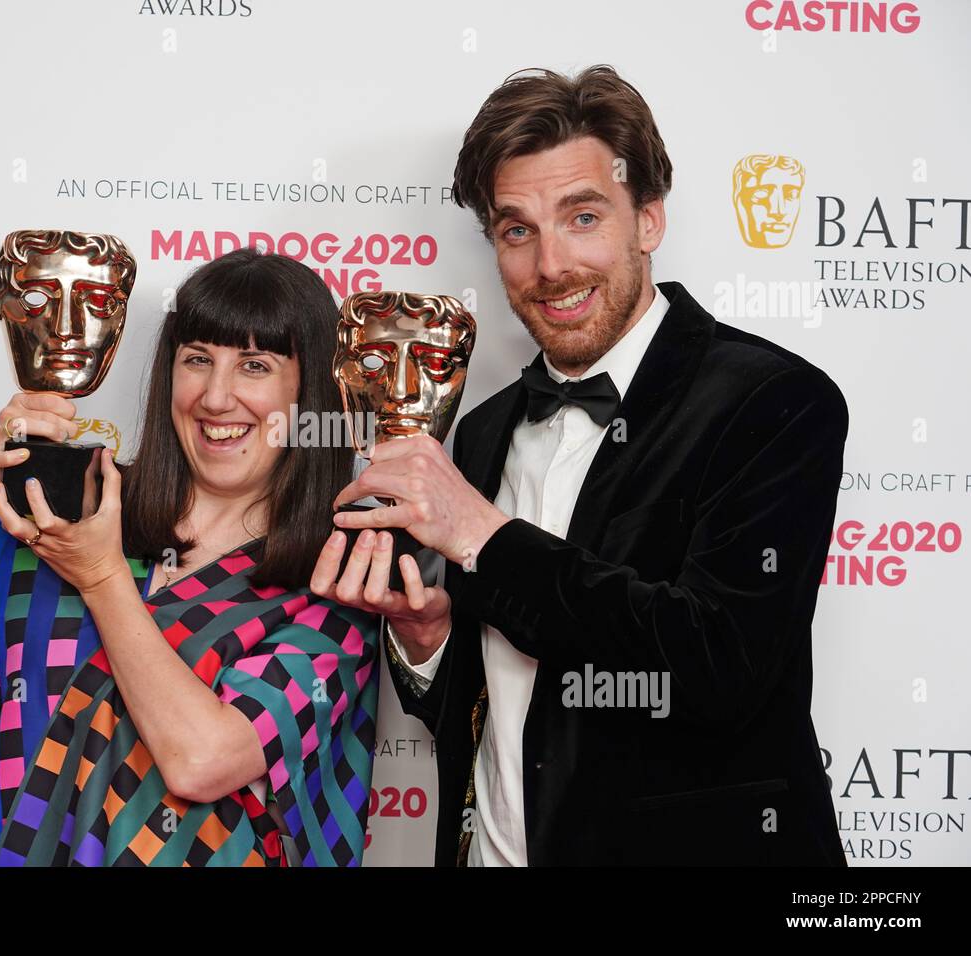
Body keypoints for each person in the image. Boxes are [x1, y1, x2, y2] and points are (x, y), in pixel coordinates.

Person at [312, 65, 848, 866]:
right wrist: (427, 639)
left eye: (583, 216)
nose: (550, 265)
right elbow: (511, 702)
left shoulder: (774, 400)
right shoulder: (486, 428)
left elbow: (717, 668)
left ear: (650, 218)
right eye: (516, 230)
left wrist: (483, 538)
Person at [0, 247, 380, 867]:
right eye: (197, 359)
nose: (216, 397)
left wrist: (101, 576)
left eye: (255, 366)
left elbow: (203, 760)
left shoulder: (339, 576)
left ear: (312, 393)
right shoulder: (73, 503)